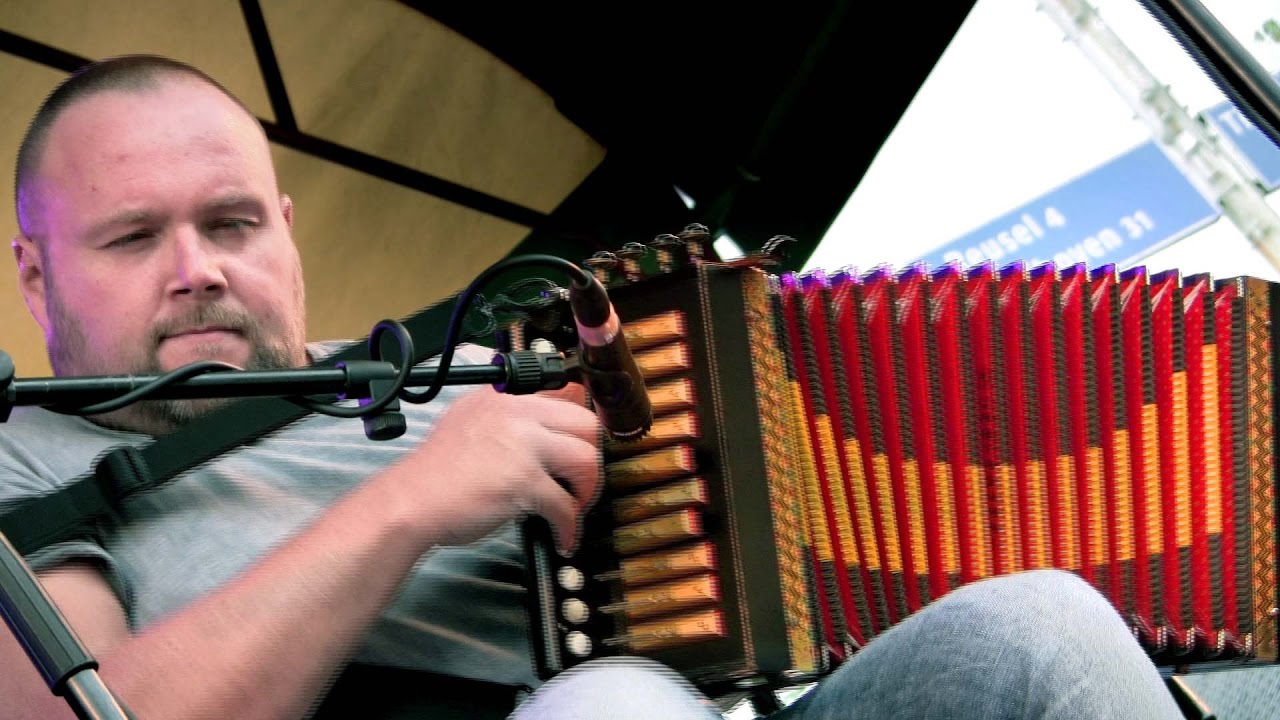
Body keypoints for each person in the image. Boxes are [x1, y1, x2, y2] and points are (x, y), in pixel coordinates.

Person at [0, 55, 1182, 720]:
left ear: (287, 231)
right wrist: (406, 505)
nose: (198, 269)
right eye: (133, 237)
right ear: (35, 272)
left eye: (231, 222)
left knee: (1040, 626)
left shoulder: (460, 373)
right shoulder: (23, 455)